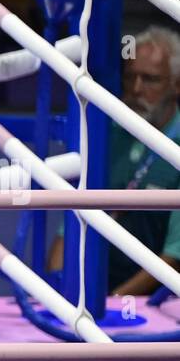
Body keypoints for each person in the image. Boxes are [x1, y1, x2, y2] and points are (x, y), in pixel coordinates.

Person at [47, 26, 180, 295]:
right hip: (92, 298)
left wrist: (116, 302)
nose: (136, 89)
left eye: (150, 79)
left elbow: (174, 258)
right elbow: (71, 227)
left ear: (176, 85)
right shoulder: (104, 136)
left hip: (155, 305)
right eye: (130, 77)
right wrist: (56, 290)